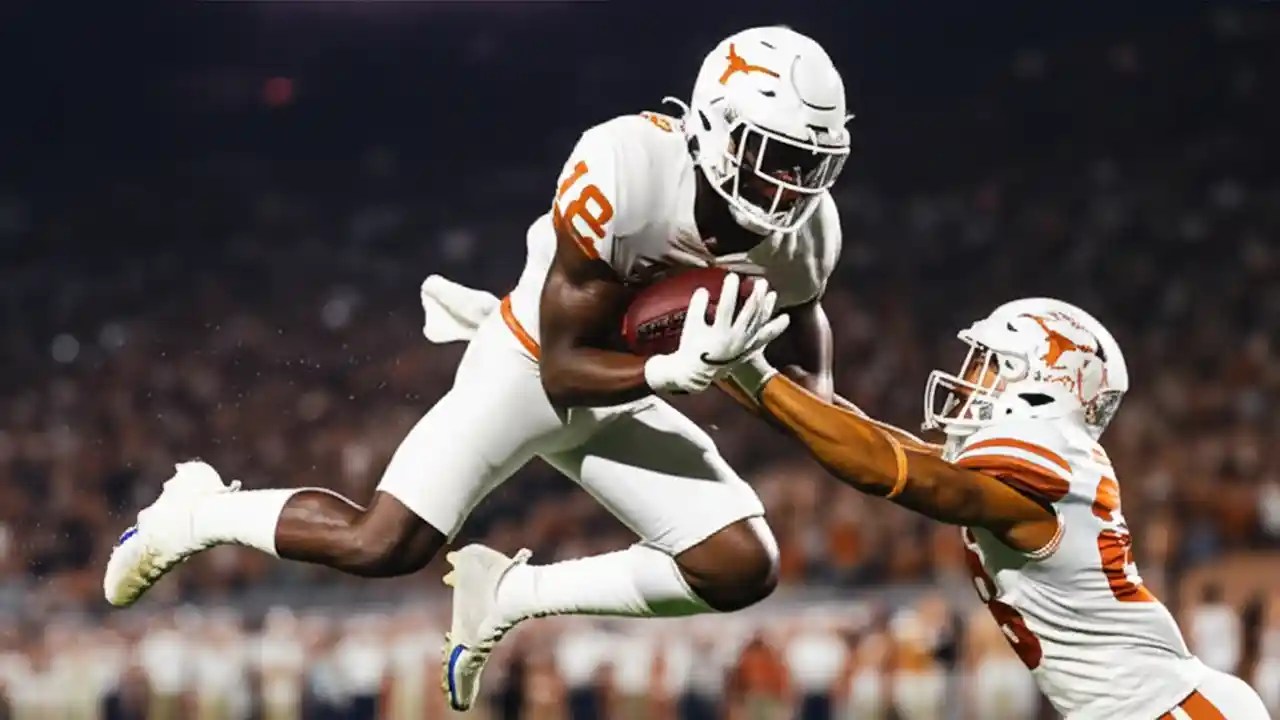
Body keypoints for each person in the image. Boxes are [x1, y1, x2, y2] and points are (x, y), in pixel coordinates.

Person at [104, 24, 852, 712]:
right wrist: (669, 374)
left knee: (740, 565)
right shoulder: (627, 168)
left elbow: (808, 376)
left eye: (810, 163)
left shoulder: (806, 233)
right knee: (383, 544)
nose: (790, 184)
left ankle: (511, 593)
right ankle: (197, 511)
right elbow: (562, 369)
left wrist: (819, 414)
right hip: (527, 365)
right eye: (774, 156)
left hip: (622, 395)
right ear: (715, 130)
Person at [720, 297, 1271, 718]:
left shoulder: (1046, 464)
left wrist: (762, 381)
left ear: (1040, 383)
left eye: (988, 361)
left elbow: (889, 470)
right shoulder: (1052, 458)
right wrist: (736, 372)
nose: (967, 374)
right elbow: (880, 441)